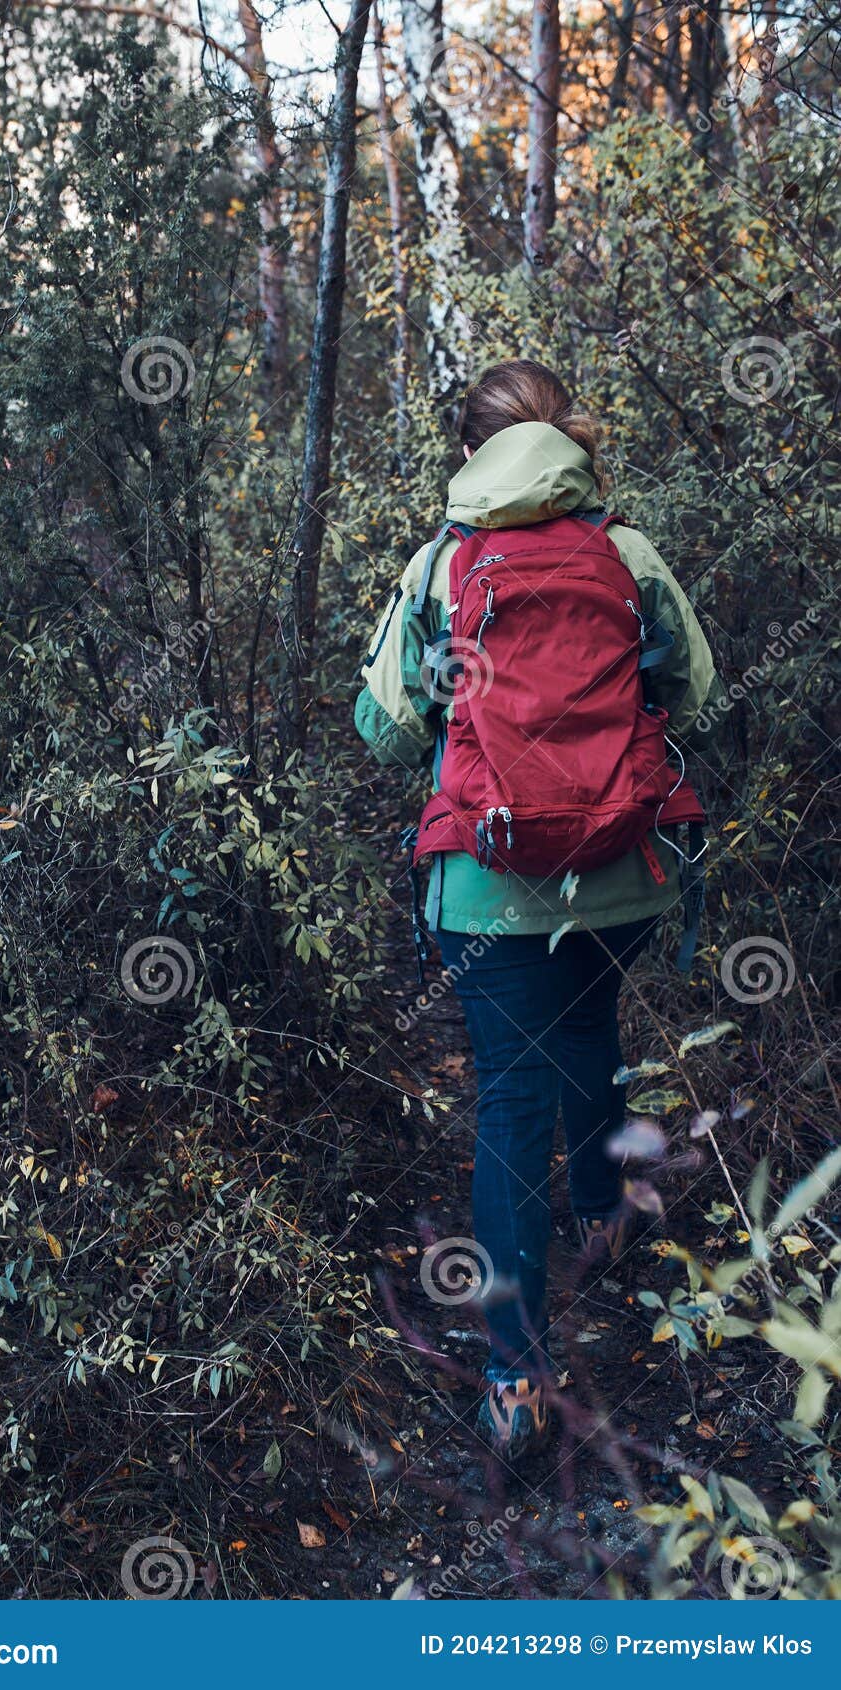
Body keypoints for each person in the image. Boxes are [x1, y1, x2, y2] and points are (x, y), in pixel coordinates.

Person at [355, 359, 721, 1460]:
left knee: (508, 1109)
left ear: (468, 454)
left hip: (485, 885)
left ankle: (514, 1378)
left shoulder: (440, 567)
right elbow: (693, 688)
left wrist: (454, 726)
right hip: (619, 872)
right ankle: (606, 1212)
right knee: (592, 1024)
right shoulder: (624, 553)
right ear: (571, 440)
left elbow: (378, 728)